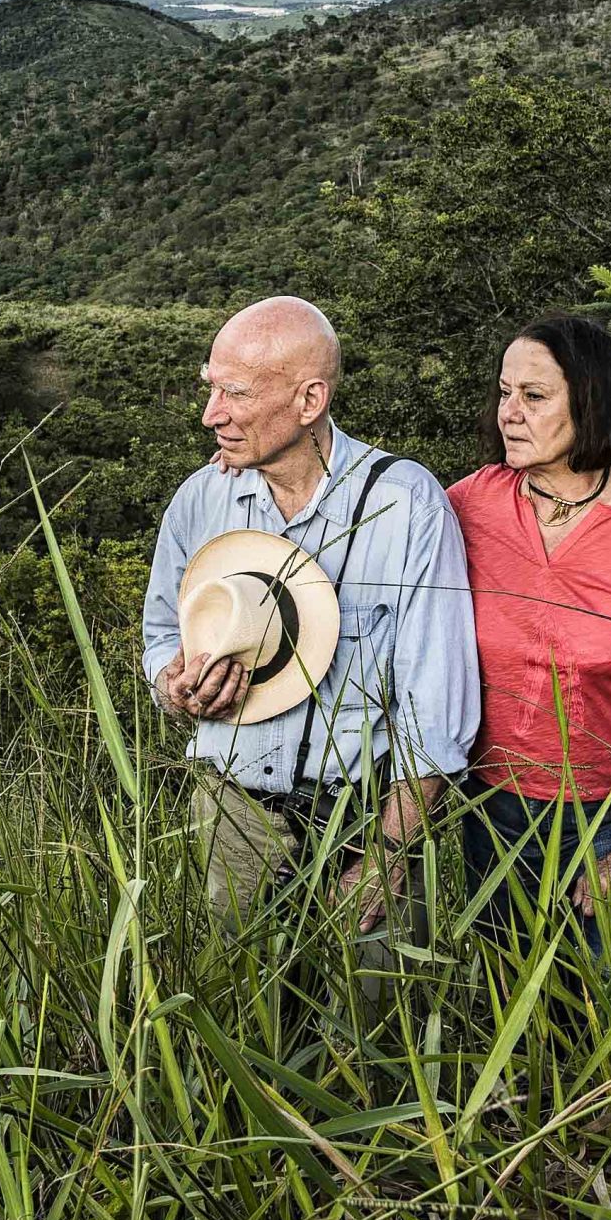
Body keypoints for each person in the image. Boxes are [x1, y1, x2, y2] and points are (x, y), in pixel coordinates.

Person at [142, 295, 479, 955]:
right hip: (234, 810)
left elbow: (436, 706)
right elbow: (160, 632)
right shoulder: (201, 499)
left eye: (234, 394)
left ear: (309, 399)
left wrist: (388, 849)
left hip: (371, 815)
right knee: (253, 1017)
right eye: (211, 389)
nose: (211, 415)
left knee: (379, 1021)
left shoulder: (403, 503)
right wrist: (172, 684)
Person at [448, 314, 611, 963]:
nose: (510, 412)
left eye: (534, 397)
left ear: (590, 401)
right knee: (511, 1004)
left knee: (606, 1004)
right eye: (504, 392)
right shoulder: (466, 505)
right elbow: (365, 525)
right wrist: (258, 462)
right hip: (494, 809)